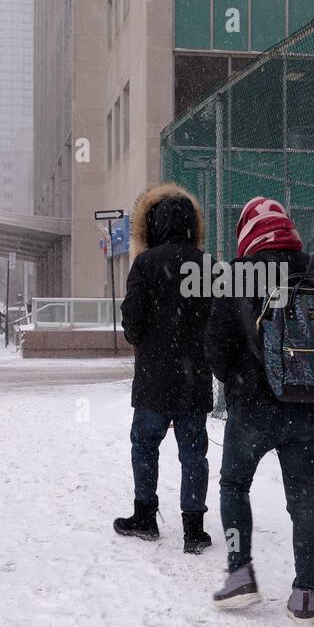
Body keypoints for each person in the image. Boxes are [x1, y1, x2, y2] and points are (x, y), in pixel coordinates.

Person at [204, 196, 314, 627]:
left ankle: (240, 574)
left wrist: (237, 379)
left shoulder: (237, 274)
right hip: (308, 406)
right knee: (303, 497)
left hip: (251, 408)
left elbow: (215, 347)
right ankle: (305, 593)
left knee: (234, 485)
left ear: (248, 232)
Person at [115, 183, 214, 554]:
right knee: (193, 452)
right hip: (195, 378)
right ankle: (194, 528)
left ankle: (145, 516)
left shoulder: (145, 263)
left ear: (152, 225)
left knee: (145, 444)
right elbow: (221, 322)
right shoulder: (209, 266)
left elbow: (133, 324)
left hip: (154, 378)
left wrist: (142, 334)